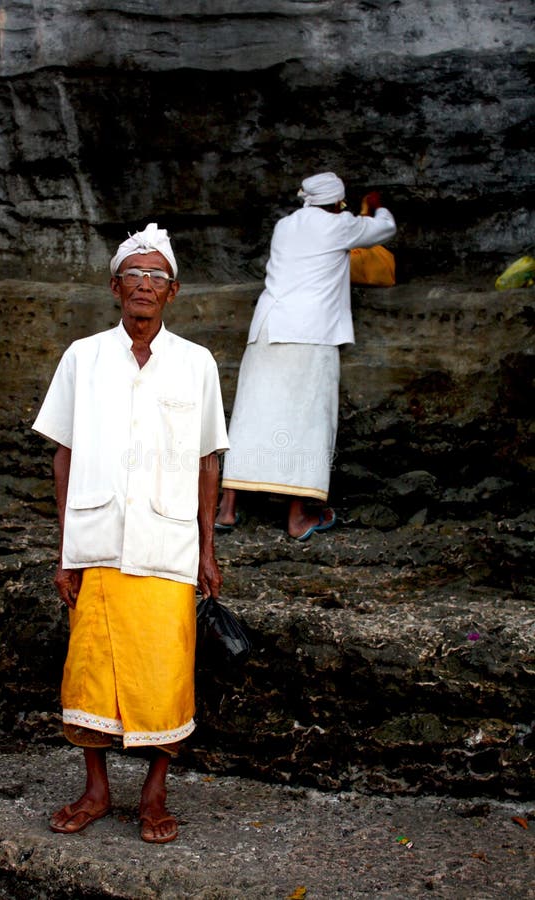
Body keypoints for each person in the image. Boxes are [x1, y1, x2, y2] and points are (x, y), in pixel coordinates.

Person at [33, 223, 228, 844]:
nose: (146, 285)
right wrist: (64, 550)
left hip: (169, 546)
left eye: (158, 277)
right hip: (96, 542)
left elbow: (207, 462)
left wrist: (208, 548)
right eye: (135, 274)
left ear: (173, 293)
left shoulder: (196, 364)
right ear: (116, 286)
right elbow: (62, 456)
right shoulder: (81, 357)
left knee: (167, 671)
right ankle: (96, 789)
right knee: (90, 669)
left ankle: (154, 793)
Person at [215, 172, 396, 540]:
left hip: (267, 327)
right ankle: (298, 519)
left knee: (251, 415)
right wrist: (376, 207)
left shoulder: (284, 226)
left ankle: (227, 509)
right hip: (311, 333)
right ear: (337, 203)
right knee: (308, 422)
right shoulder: (340, 225)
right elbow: (385, 230)